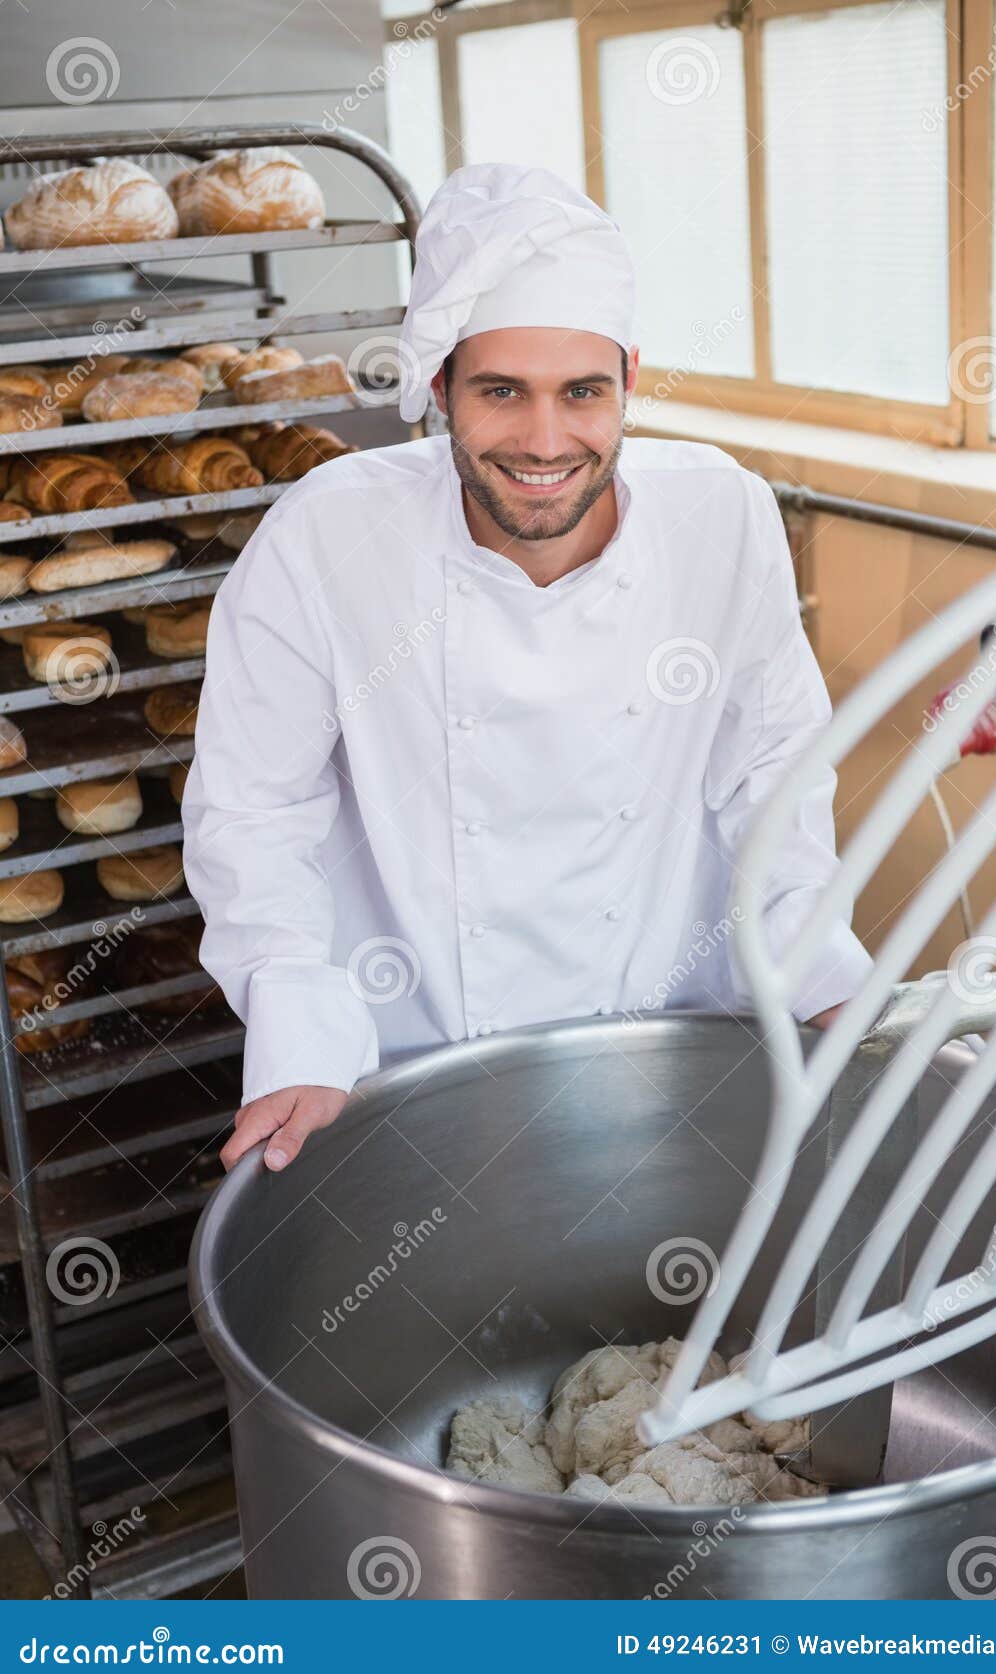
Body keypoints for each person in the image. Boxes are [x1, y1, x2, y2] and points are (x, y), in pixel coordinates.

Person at [181, 162, 872, 1176]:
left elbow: (767, 772)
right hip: (411, 1053)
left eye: (581, 392)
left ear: (629, 380)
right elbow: (253, 809)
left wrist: (819, 970)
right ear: (438, 392)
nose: (544, 440)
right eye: (500, 391)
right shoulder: (326, 535)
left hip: (671, 1038)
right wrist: (299, 1026)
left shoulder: (719, 515)